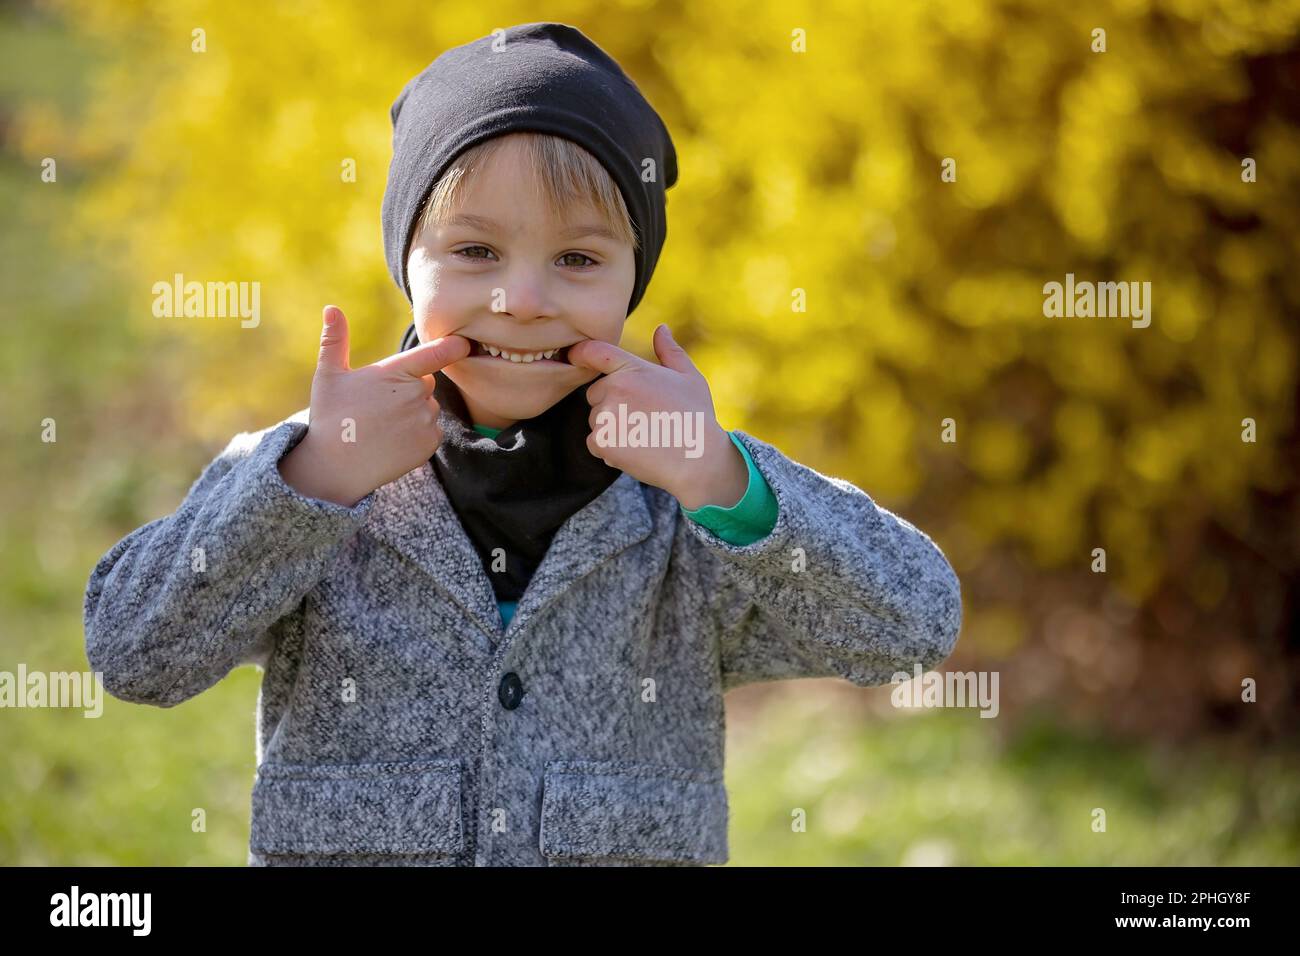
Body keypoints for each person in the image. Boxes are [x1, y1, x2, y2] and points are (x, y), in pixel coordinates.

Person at [83, 22, 962, 867]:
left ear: (633, 276)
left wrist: (720, 475)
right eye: (474, 251)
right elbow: (136, 653)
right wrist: (313, 478)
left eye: (578, 260)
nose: (523, 300)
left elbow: (912, 630)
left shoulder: (687, 507)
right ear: (408, 263)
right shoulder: (309, 472)